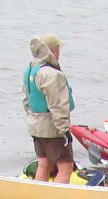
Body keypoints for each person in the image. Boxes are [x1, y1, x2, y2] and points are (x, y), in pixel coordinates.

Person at [23, 34, 75, 184]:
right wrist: (64, 130)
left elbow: (25, 100)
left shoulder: (30, 70)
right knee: (65, 166)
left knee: (44, 163)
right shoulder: (52, 74)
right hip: (52, 129)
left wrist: (33, 118)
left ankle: (39, 198)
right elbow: (57, 105)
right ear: (52, 50)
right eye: (58, 48)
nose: (59, 52)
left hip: (35, 125)